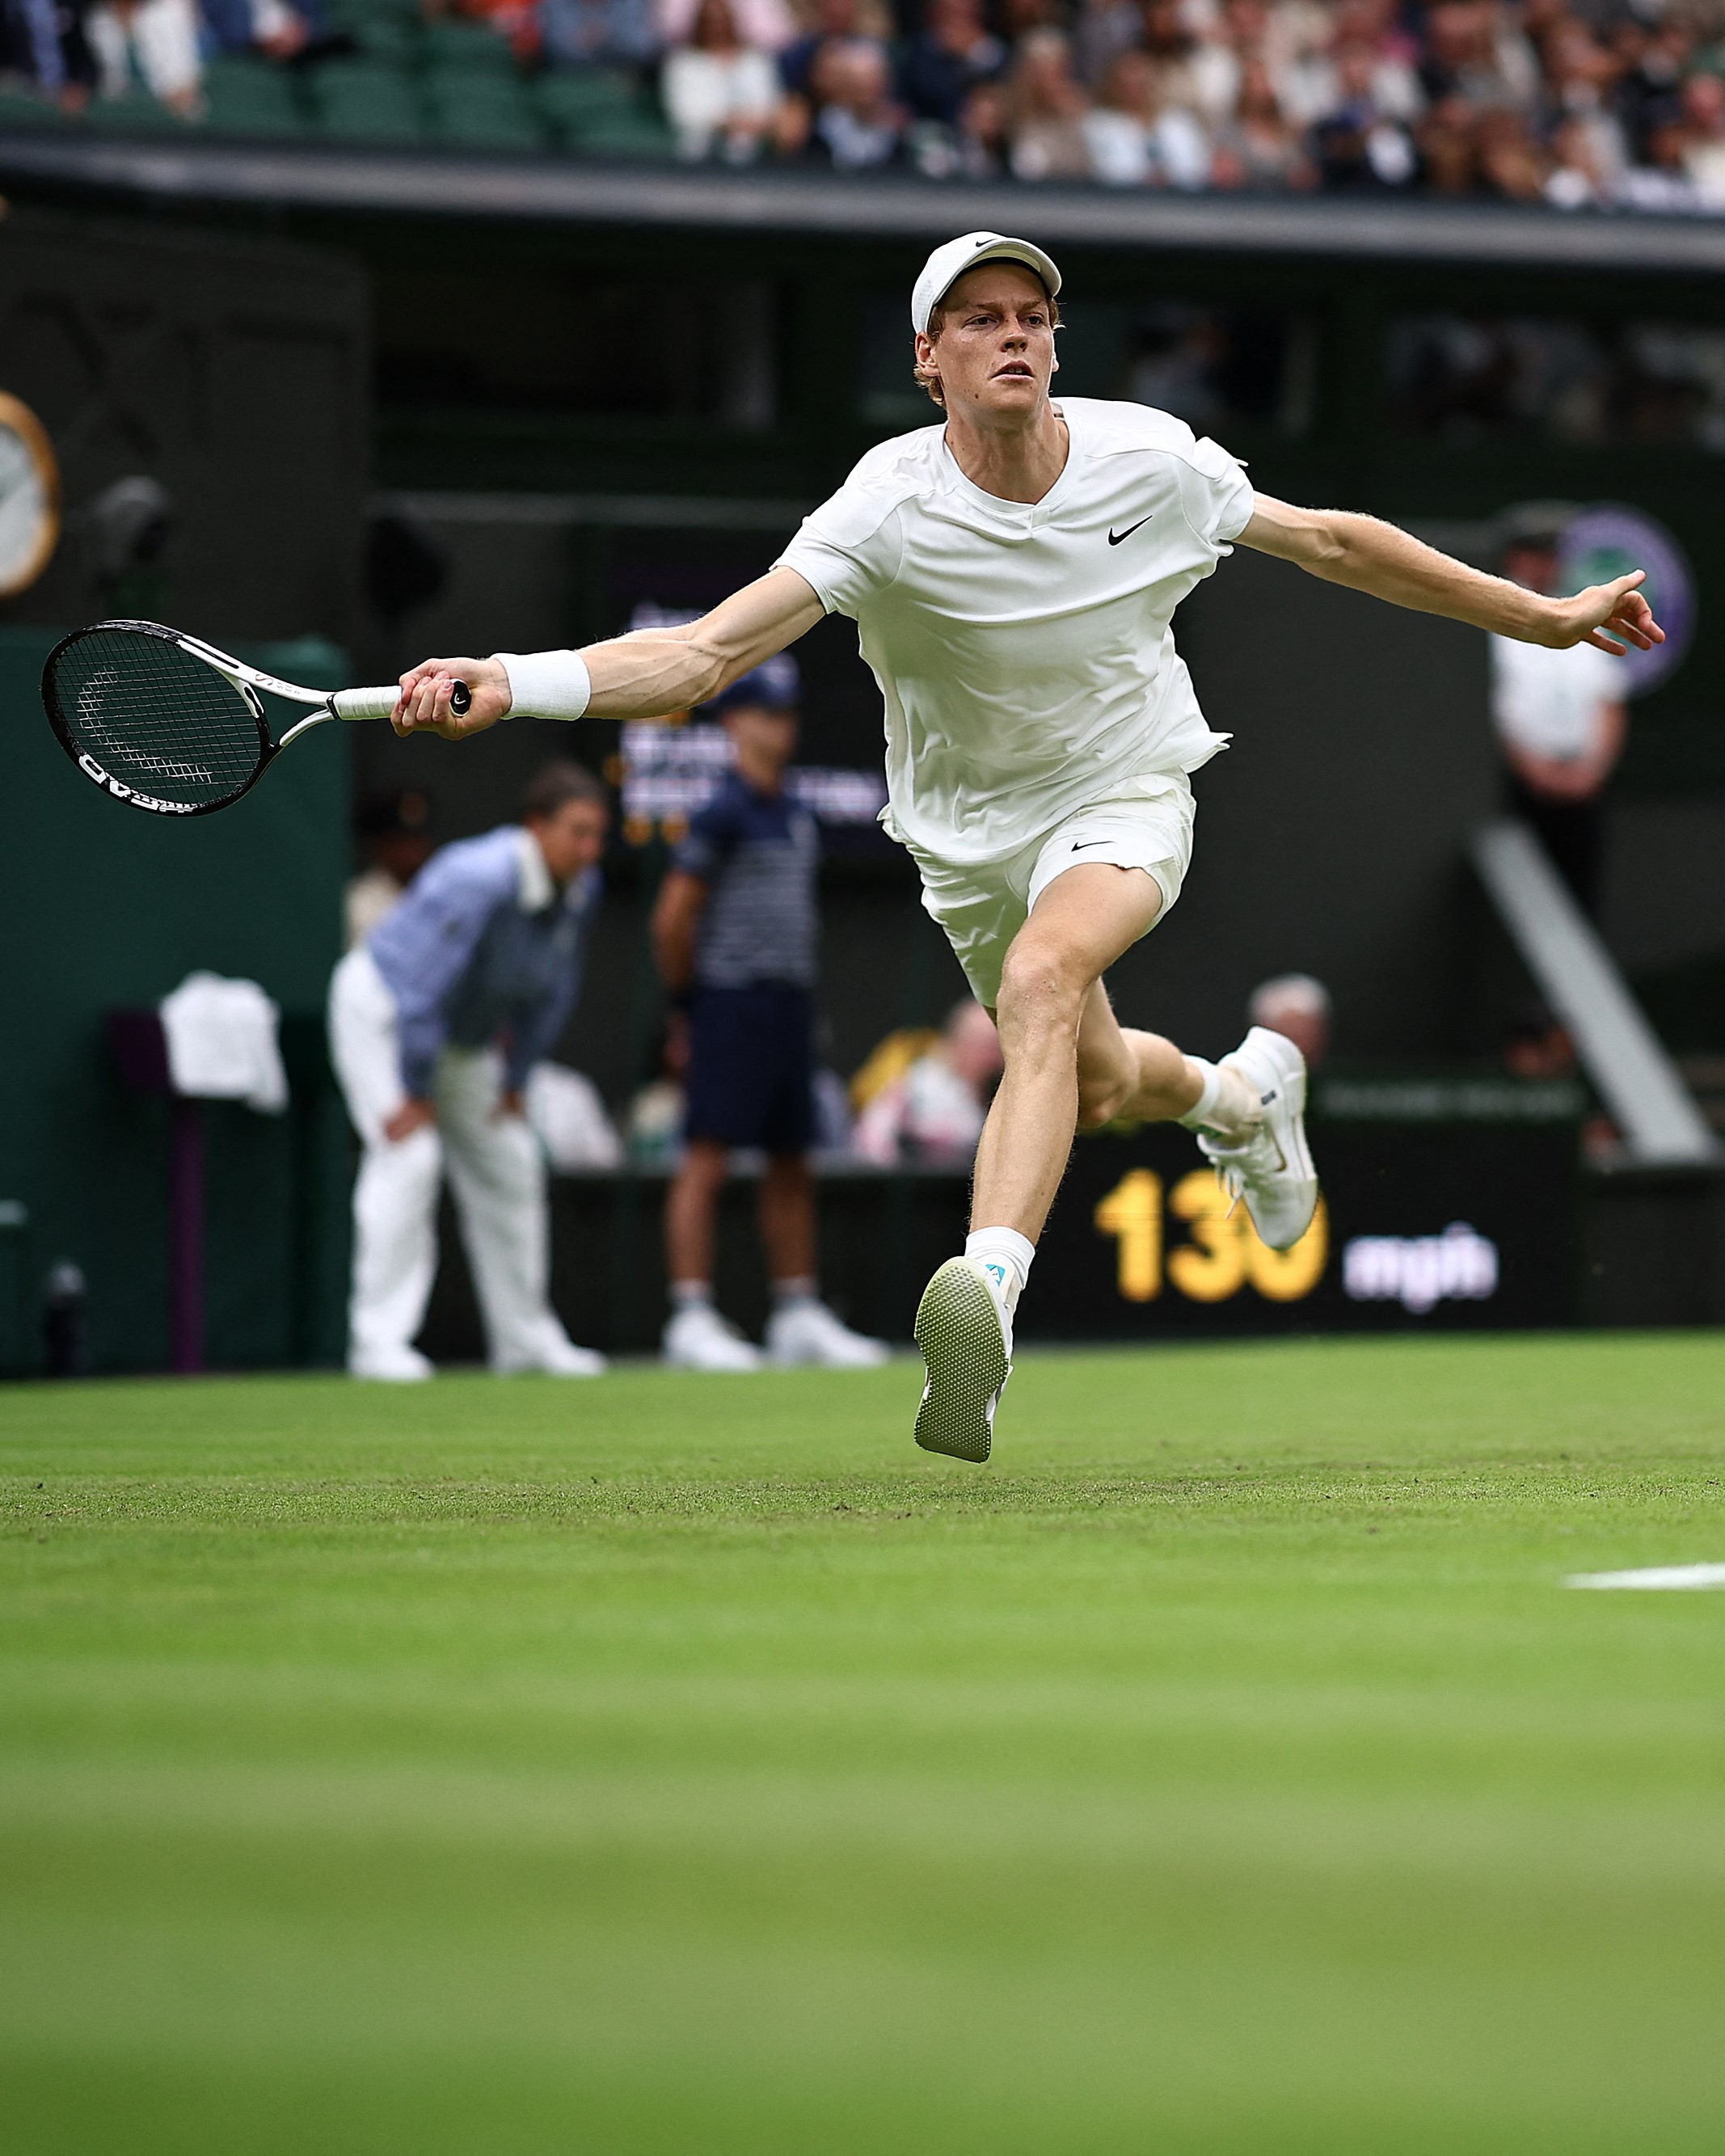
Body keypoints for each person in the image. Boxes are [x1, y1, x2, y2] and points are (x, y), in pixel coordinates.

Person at [386, 230, 1664, 1462]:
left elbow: (1330, 539)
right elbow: (699, 655)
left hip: (1126, 789)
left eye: (1031, 319)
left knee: (1043, 981)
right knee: (1092, 1083)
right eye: (978, 320)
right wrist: (515, 677)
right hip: (966, 843)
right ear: (926, 357)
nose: (1012, 337)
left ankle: (984, 1299)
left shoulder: (1148, 461)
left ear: (1053, 345)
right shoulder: (883, 507)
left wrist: (1538, 615)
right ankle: (1239, 1098)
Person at [327, 760, 611, 1382]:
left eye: (598, 835)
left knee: (512, 1160)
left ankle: (525, 1342)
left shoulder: (581, 889)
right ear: (536, 826)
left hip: (463, 1036)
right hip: (385, 1012)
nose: (590, 849)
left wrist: (517, 1079)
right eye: (578, 832)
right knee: (410, 1156)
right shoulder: (477, 877)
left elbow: (553, 991)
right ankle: (377, 1343)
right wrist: (416, 1089)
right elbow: (423, 991)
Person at [651, 656, 888, 1372]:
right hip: (728, 1003)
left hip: (789, 1004)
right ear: (733, 722)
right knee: (706, 1158)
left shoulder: (793, 810)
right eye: (766, 713)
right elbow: (672, 921)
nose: (781, 728)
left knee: (793, 1159)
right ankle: (690, 1316)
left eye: (787, 714)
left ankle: (795, 1311)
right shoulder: (720, 812)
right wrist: (690, 1005)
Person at [1490, 516, 1627, 915]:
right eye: (1536, 555)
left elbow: (1610, 704)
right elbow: (1491, 706)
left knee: (1580, 898)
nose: (1546, 566)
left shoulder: (1586, 617)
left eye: (1553, 556)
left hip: (1582, 790)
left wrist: (1592, 771)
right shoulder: (1493, 625)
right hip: (1516, 792)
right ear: (1514, 558)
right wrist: (1533, 770)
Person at [854, 999, 1003, 1167]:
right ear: (960, 1044)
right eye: (990, 1046)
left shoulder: (979, 1090)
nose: (998, 1057)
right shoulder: (927, 1088)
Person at [345, 787, 435, 951]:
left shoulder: (440, 890)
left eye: (418, 838)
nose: (414, 849)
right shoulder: (360, 901)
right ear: (381, 845)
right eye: (402, 841)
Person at [1246, 973, 1331, 1070]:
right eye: (1289, 1035)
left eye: (1306, 1034)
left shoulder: (1339, 1076)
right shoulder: (1241, 1076)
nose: (1302, 1047)